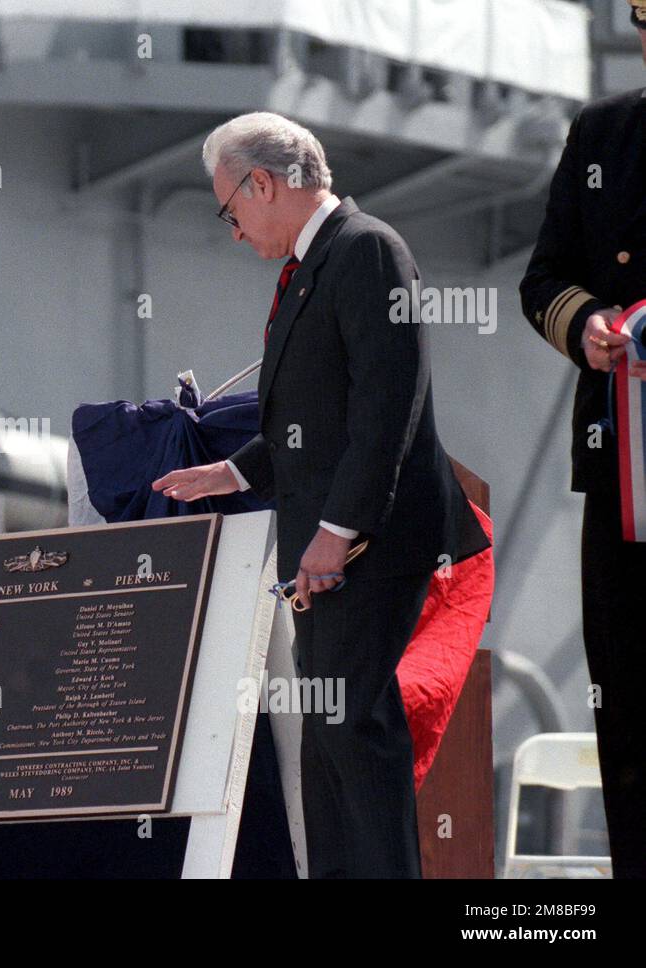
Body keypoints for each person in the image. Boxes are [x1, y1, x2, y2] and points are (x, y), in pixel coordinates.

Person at [153, 112, 488, 878]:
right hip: (329, 550)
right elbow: (309, 416)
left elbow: (386, 404)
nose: (233, 232)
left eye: (230, 211)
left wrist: (338, 531)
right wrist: (232, 473)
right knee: (328, 735)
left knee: (356, 732)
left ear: (262, 183)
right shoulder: (316, 263)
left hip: (368, 546)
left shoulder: (365, 251)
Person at [517, 0, 646, 878]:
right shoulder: (601, 135)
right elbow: (545, 278)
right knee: (629, 699)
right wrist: (591, 325)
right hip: (623, 464)